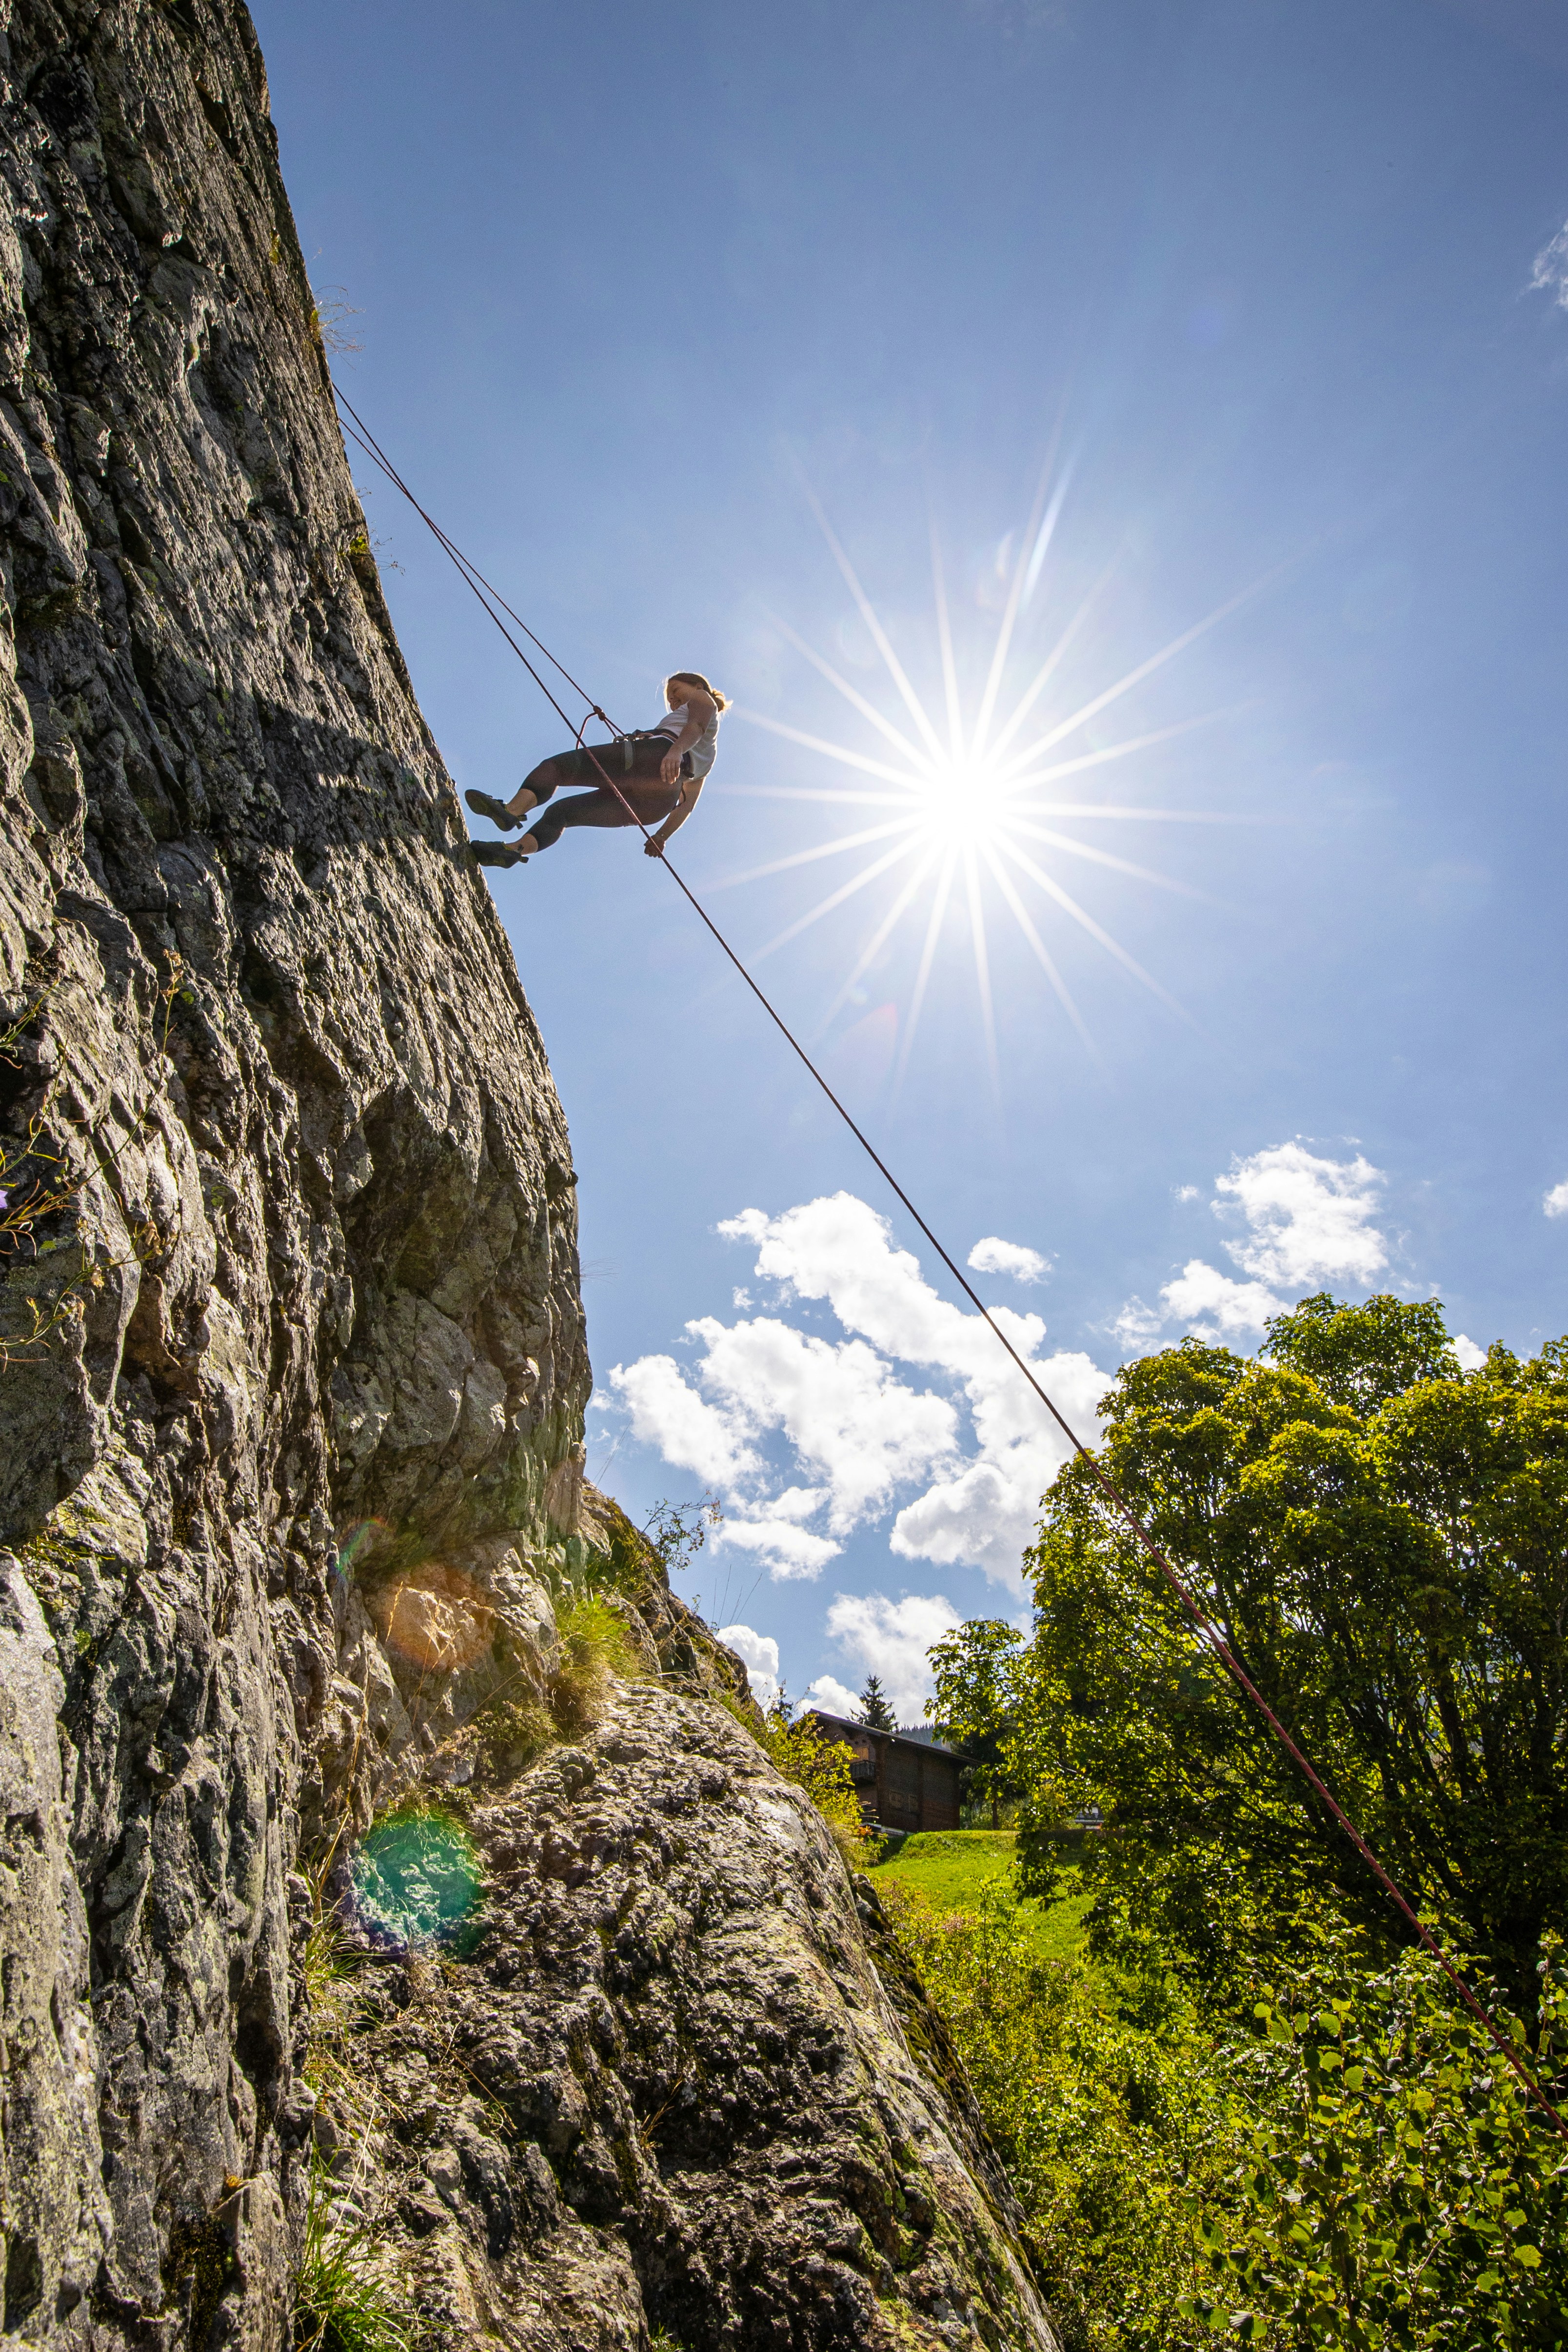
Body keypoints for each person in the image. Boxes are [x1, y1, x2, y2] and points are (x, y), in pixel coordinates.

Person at [465, 672, 726, 868]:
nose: (672, 700)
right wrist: (661, 836)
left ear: (698, 687)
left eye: (676, 690)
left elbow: (696, 727)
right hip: (657, 805)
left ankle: (510, 811)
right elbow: (688, 804)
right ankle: (513, 850)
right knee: (563, 813)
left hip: (655, 759)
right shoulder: (708, 757)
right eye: (669, 698)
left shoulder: (703, 700)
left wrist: (675, 750)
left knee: (557, 768)